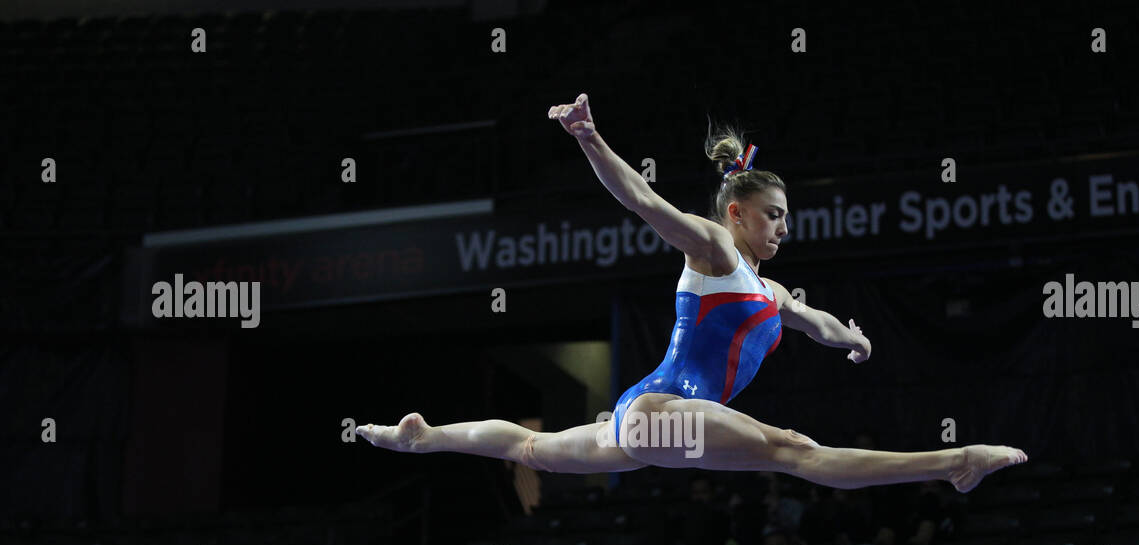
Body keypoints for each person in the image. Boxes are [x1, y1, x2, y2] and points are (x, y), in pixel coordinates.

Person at [357, 96, 1028, 496]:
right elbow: (642, 199)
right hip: (661, 411)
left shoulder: (768, 291)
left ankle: (425, 438)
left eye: (787, 219)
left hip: (644, 420)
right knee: (794, 450)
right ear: (736, 213)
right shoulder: (712, 249)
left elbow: (812, 320)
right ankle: (958, 462)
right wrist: (590, 137)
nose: (783, 229)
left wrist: (851, 337)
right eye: (773, 216)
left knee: (534, 451)